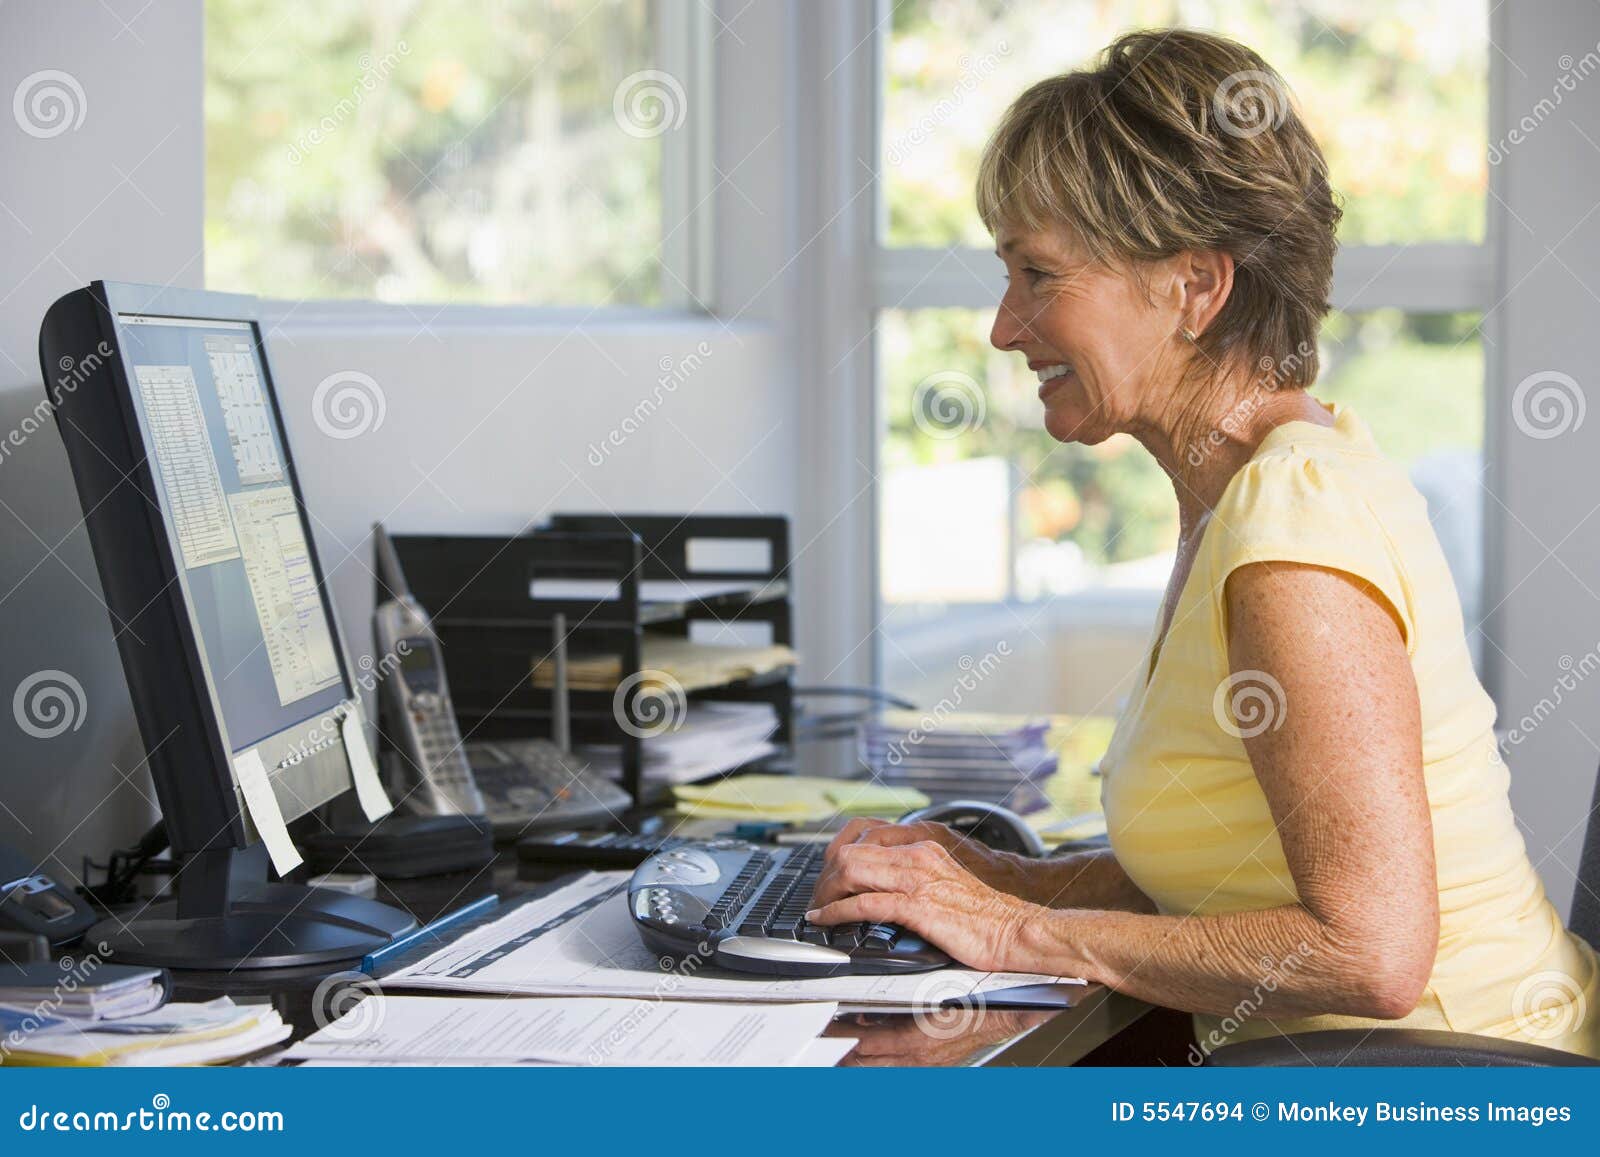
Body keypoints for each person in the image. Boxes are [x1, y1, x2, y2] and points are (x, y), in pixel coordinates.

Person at [807, 28, 1599, 1057]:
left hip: (1454, 1083)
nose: (1005, 327)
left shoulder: (1292, 538)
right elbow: (1222, 869)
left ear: (1192, 287)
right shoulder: (1250, 489)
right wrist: (989, 876)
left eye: (1039, 276)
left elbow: (1373, 954)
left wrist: (1020, 929)